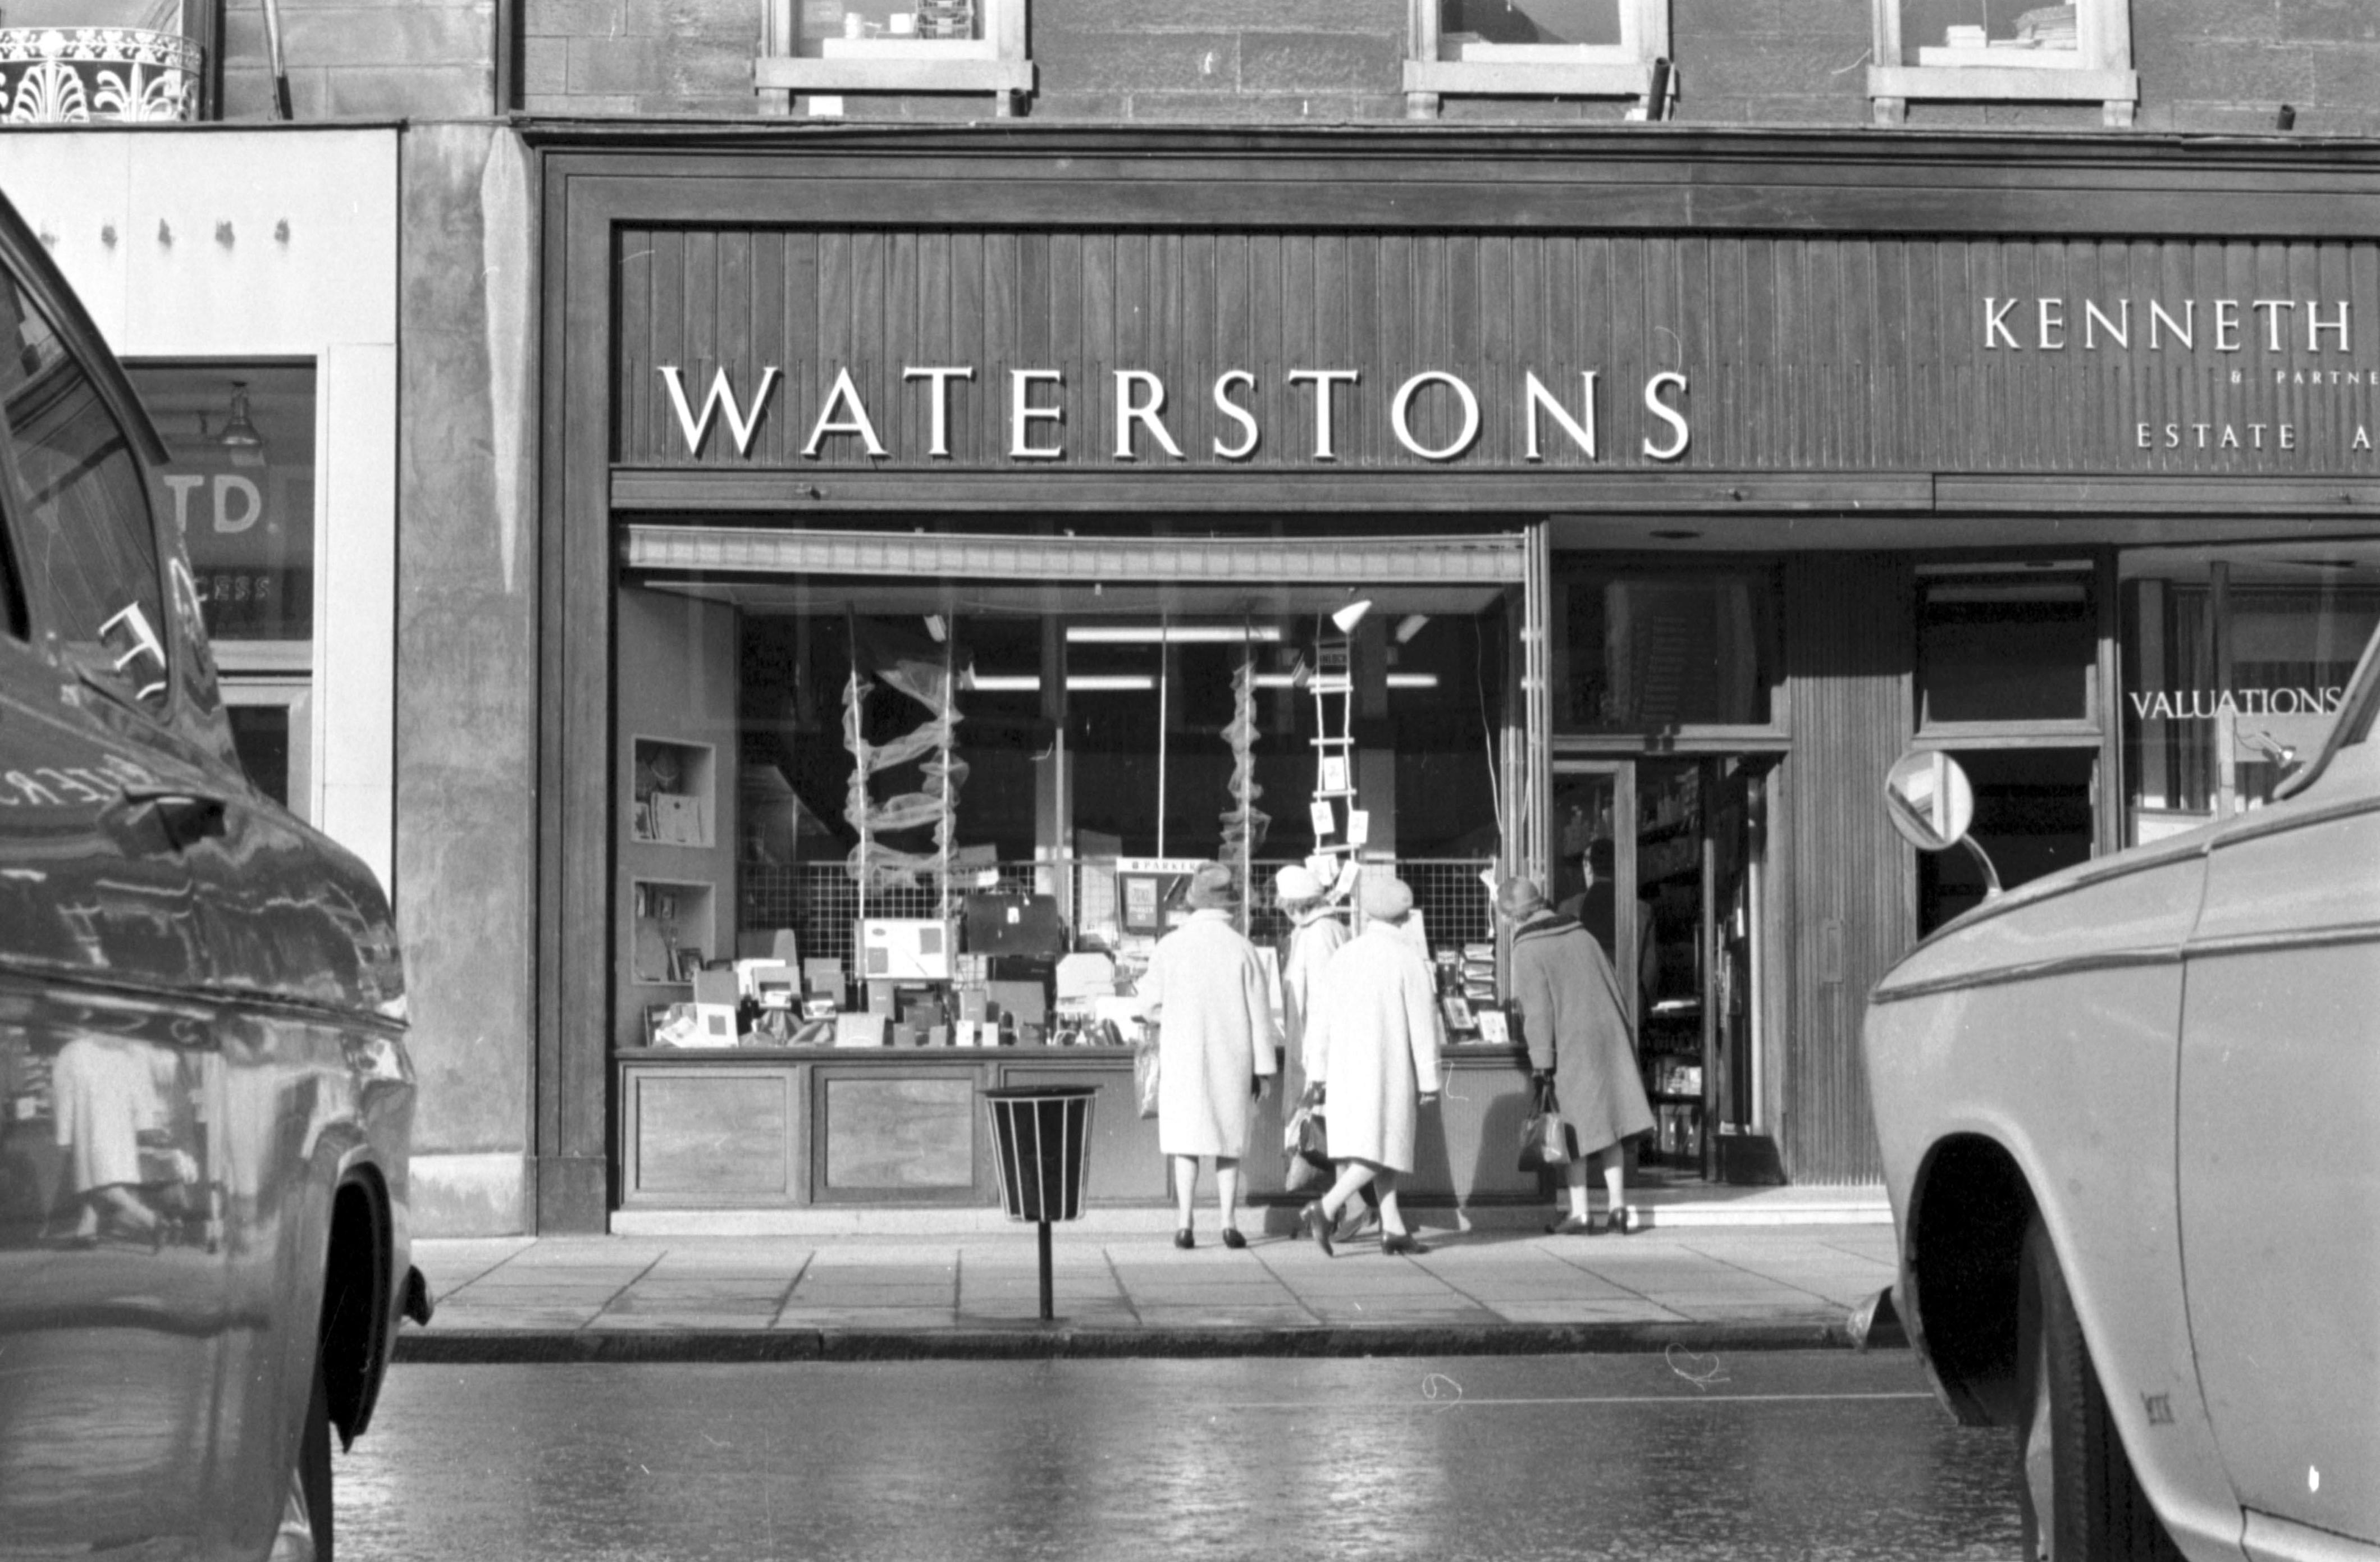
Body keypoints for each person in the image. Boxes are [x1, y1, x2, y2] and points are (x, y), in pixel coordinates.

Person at [1501, 875, 1656, 1235]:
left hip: (1571, 1043)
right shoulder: (1581, 933)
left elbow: (1538, 1013)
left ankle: (1581, 1212)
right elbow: (1612, 982)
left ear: (1512, 917)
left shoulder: (1528, 948)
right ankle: (1618, 1208)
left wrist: (1542, 1064)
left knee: (1572, 1130)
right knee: (1611, 1124)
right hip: (1608, 1037)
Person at [1300, 874, 1442, 1257]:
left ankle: (1393, 1228)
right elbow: (1423, 1026)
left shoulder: (1344, 955)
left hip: (1346, 1069)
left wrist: (1317, 1074)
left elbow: (1320, 1020)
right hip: (1389, 1069)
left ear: (1368, 915)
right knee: (1384, 1146)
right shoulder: (1408, 959)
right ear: (1405, 917)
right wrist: (1429, 1078)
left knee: (1376, 1146)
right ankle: (1326, 1207)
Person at [1139, 861, 1277, 1250]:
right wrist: (1264, 1070)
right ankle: (1229, 1223)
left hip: (1183, 1057)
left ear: (1193, 903)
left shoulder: (1170, 946)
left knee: (1186, 1140)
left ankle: (1185, 1224)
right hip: (1232, 1058)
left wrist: (1175, 1018)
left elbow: (1148, 1006)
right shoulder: (1243, 948)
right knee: (1228, 1141)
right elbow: (1260, 1016)